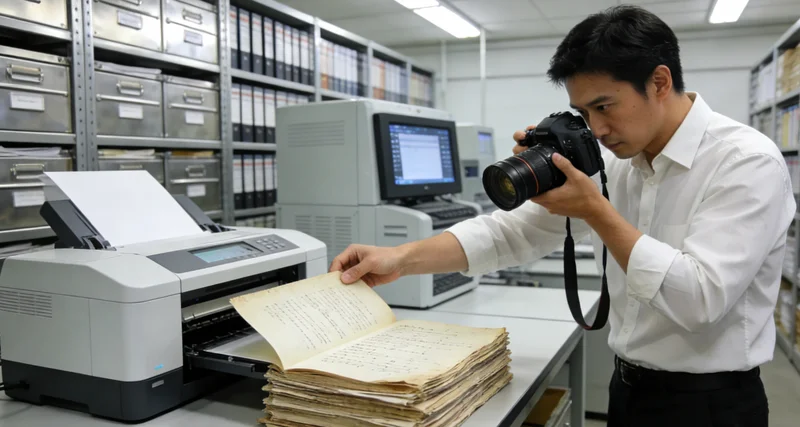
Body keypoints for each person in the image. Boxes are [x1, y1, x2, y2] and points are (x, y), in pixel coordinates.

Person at [329, 5, 795, 427]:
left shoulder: (745, 162)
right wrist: (400, 258)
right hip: (629, 390)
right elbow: (511, 233)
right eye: (582, 112)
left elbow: (700, 299)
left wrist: (595, 209)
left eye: (604, 106)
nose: (596, 129)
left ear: (659, 82)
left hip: (710, 406)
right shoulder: (617, 157)